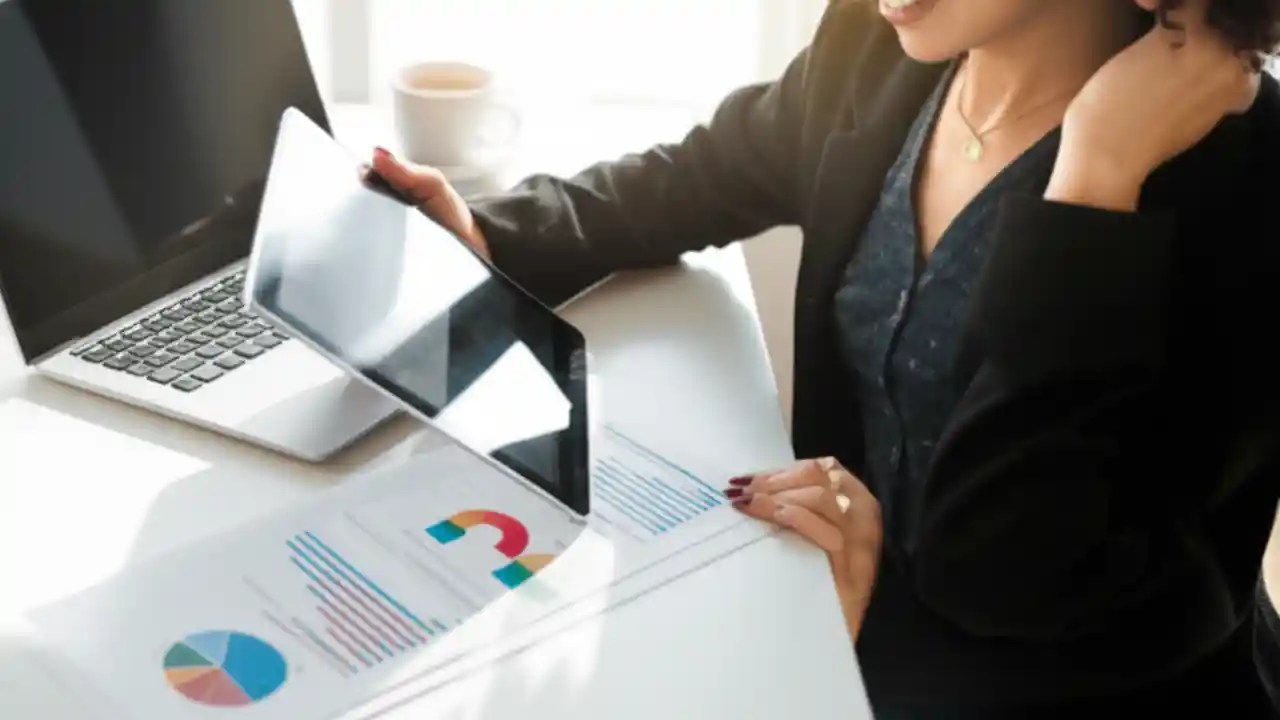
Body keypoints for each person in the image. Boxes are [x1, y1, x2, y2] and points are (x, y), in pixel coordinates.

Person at [371, 0, 1280, 715]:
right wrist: (492, 235)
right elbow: (703, 173)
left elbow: (1057, 585)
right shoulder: (880, 51)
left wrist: (1093, 182)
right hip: (834, 641)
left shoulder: (1245, 181)